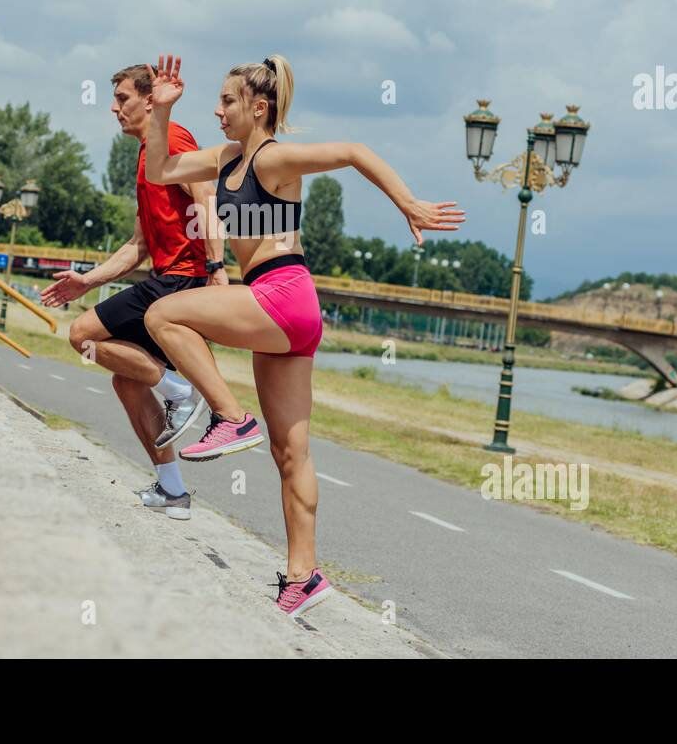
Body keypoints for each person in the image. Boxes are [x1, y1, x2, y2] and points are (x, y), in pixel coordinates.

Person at [141, 53, 465, 615]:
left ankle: (228, 415)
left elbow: (354, 151)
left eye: (226, 101)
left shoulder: (273, 158)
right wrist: (162, 110)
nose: (217, 110)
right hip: (285, 310)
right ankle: (304, 574)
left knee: (163, 316)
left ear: (257, 107)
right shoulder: (225, 159)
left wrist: (407, 203)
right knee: (290, 451)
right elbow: (159, 170)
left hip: (281, 293)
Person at [40, 64, 227, 521]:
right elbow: (141, 243)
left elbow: (206, 198)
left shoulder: (173, 139)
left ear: (150, 100)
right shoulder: (147, 153)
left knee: (83, 335)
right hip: (166, 274)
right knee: (127, 381)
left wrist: (218, 269)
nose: (114, 107)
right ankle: (173, 490)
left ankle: (181, 392)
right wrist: (89, 280)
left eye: (123, 98)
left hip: (181, 278)